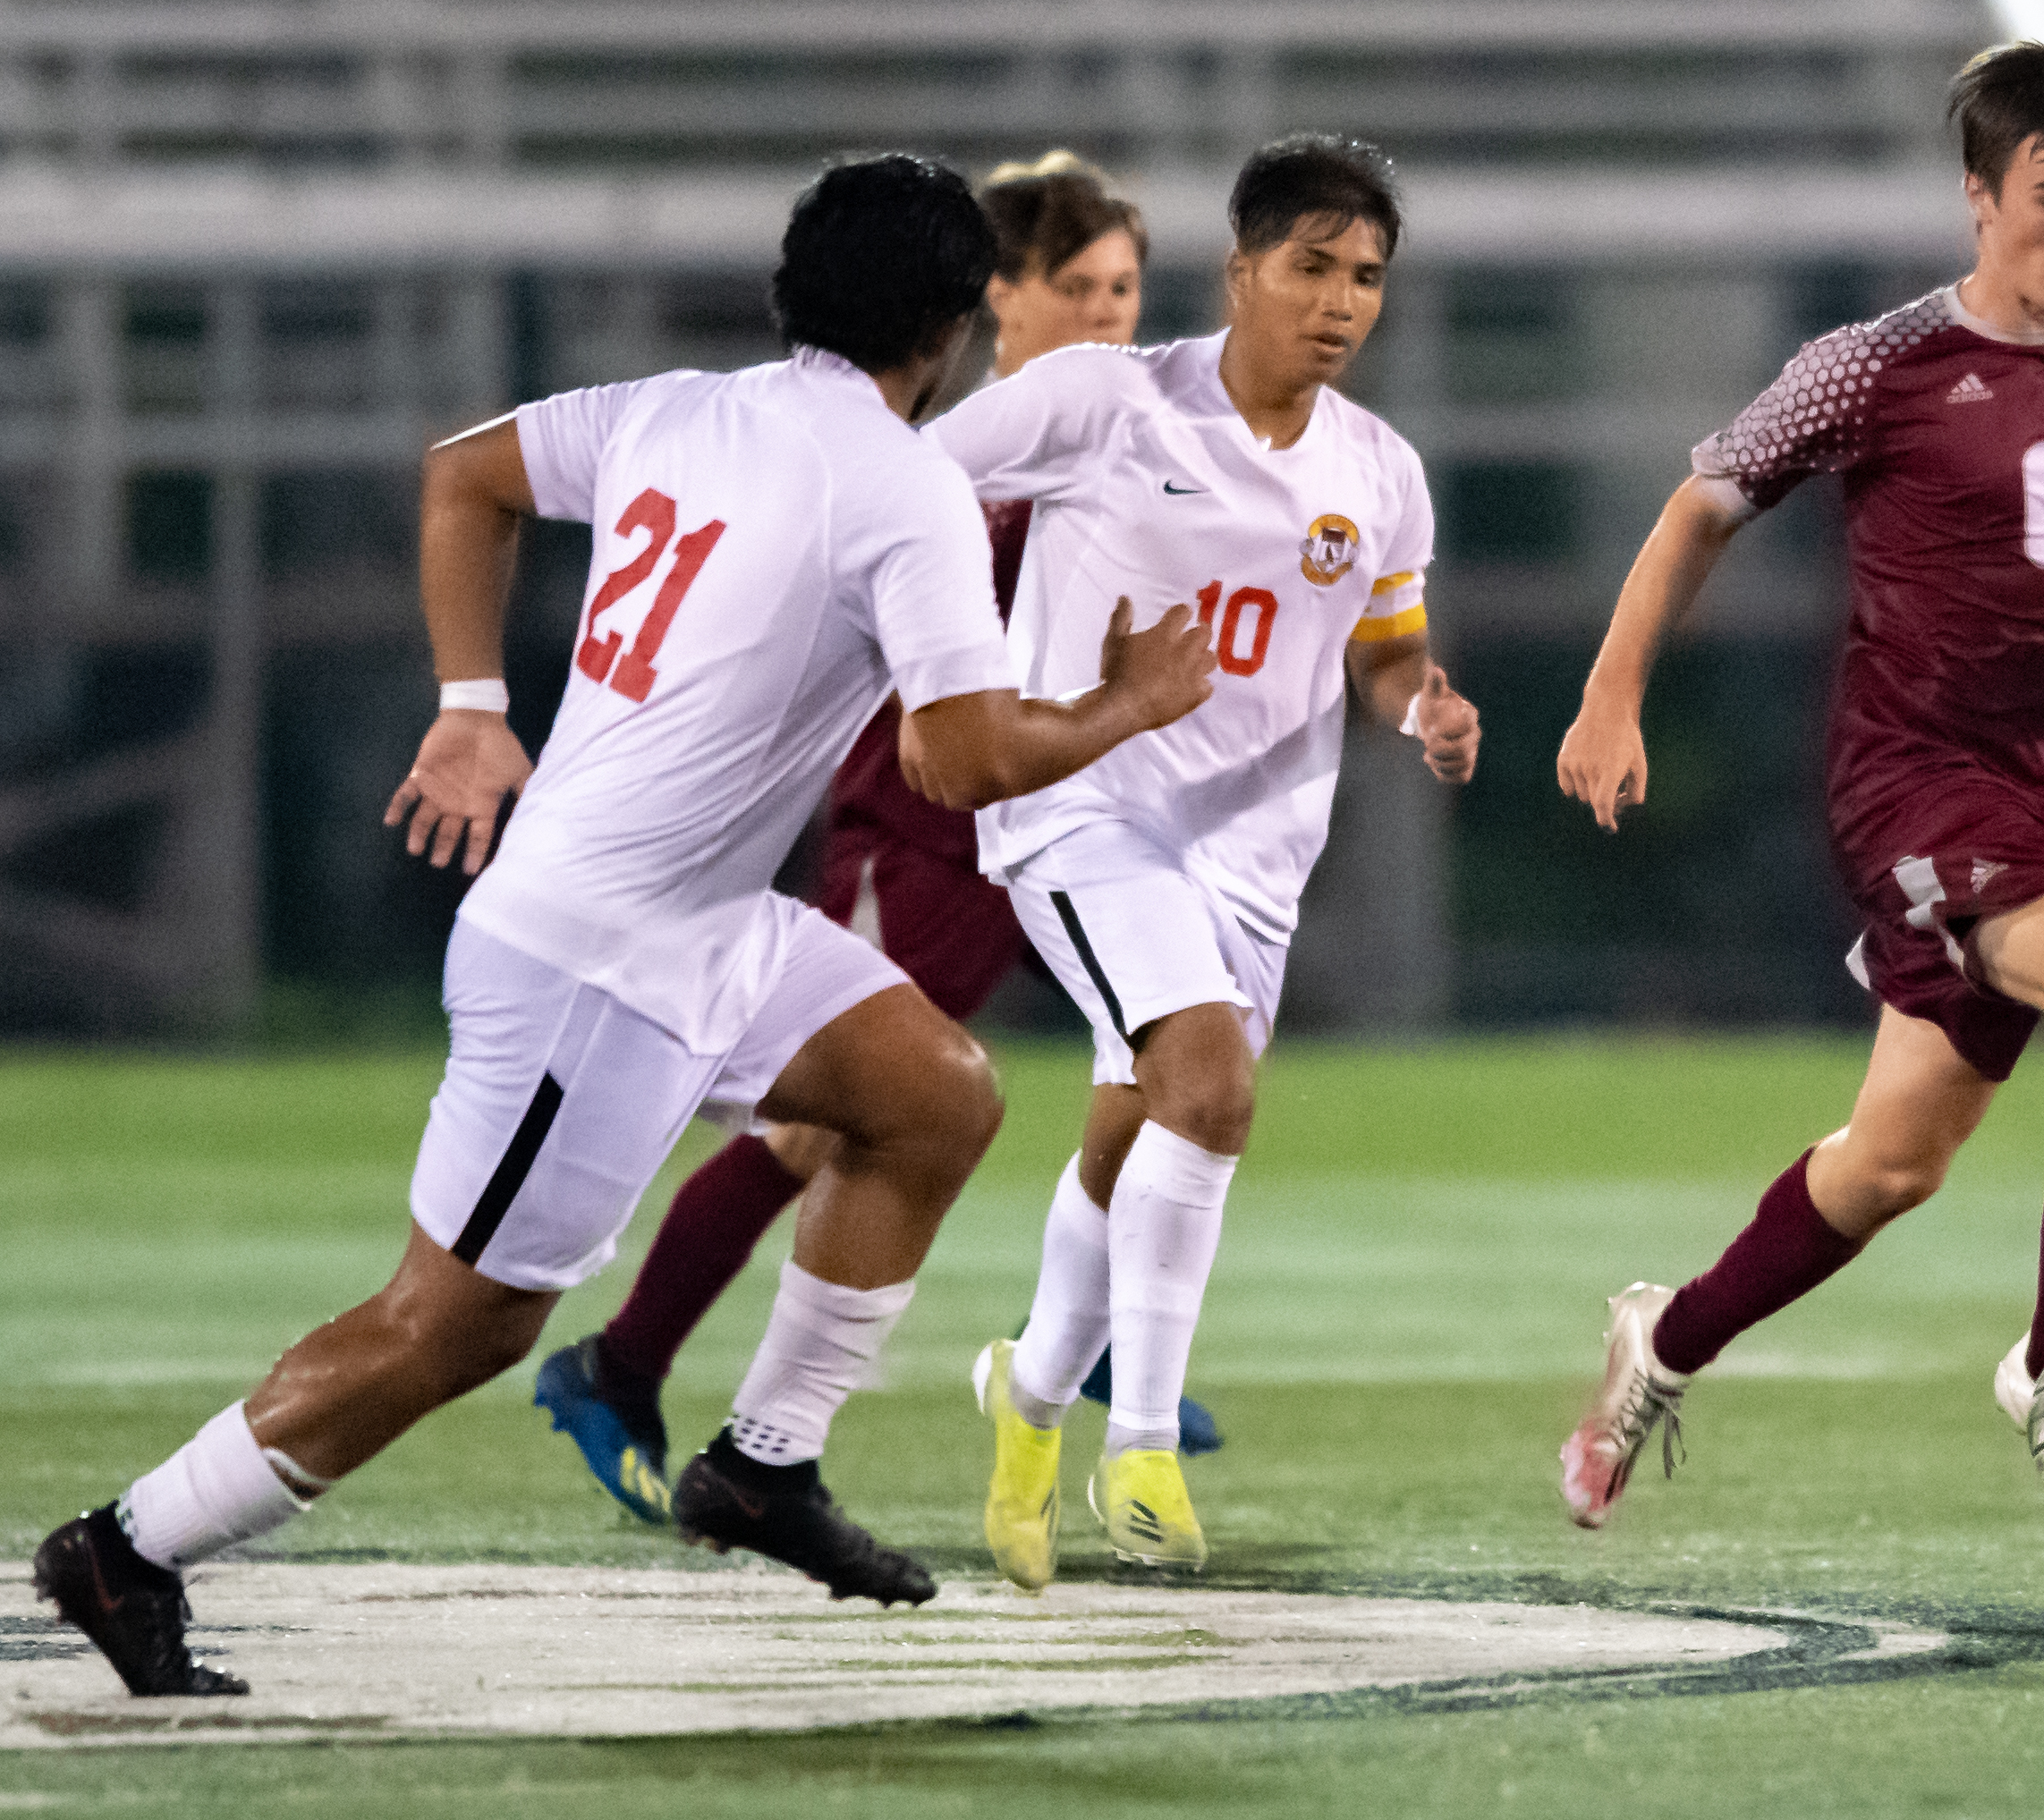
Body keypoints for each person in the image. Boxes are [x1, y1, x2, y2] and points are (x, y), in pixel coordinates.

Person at [32, 155, 1215, 1697]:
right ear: (953, 320)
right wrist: (1129, 703)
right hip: (594, 959)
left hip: (703, 925)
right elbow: (964, 759)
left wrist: (472, 703)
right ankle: (125, 1547)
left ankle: (761, 1464)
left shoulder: (676, 406)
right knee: (447, 1329)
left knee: (933, 1094)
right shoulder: (902, 481)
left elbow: (464, 470)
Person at [1552, 45, 2044, 1540]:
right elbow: (1701, 504)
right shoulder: (1873, 365)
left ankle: (1666, 1338)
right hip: (1917, 789)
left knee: (1893, 1161)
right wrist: (1611, 687)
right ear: (1976, 196)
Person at [527, 151, 1219, 1533]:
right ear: (989, 302)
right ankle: (618, 1363)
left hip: (1054, 824)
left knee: (1159, 1058)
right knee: (823, 1123)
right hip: (929, 831)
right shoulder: (941, 455)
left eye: (1125, 289)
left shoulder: (1108, 436)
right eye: (1073, 288)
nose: (1105, 317)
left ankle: (1078, 1336)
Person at [946, 131, 1480, 1590]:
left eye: (1366, 276)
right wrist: (961, 672)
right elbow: (908, 484)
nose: (1342, 300)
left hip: (1255, 850)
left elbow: (1382, 640)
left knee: (1138, 1124)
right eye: (1312, 266)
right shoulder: (1107, 399)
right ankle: (1143, 1446)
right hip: (1080, 802)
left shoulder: (1377, 471)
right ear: (1239, 269)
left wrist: (1416, 702)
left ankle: (1029, 1395)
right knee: (1211, 1080)